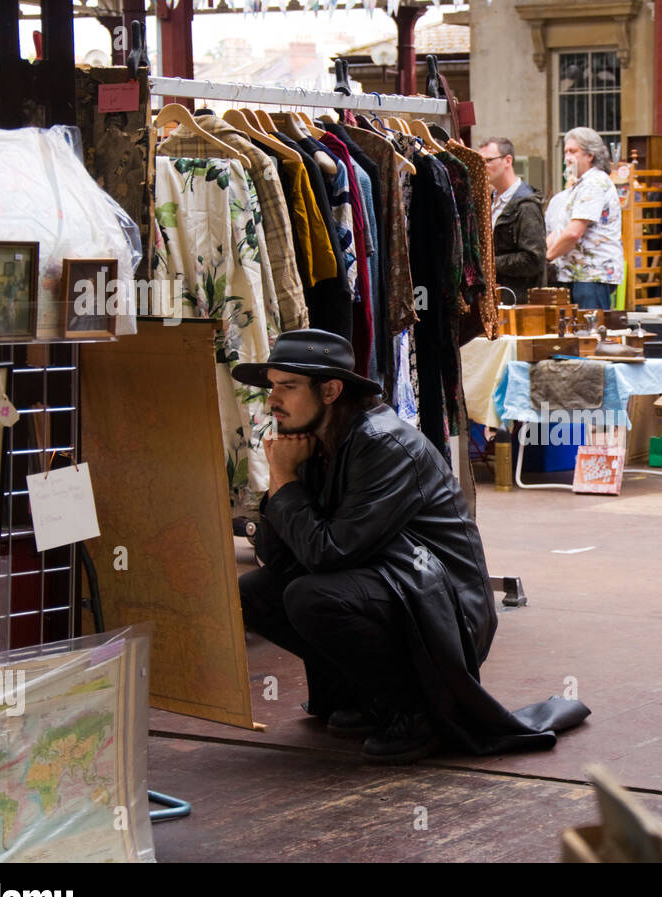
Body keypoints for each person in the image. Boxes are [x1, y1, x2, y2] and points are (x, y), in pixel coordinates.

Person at [233, 329, 590, 763]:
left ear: (330, 390)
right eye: (273, 386)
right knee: (254, 592)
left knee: (311, 596)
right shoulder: (313, 443)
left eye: (287, 387)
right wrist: (280, 479)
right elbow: (282, 556)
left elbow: (329, 554)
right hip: (395, 588)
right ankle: (367, 698)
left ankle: (416, 715)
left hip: (445, 614)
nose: (273, 400)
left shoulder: (382, 443)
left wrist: (286, 482)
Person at [544, 126, 625, 310]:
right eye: (565, 152)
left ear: (590, 155)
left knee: (590, 334)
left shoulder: (595, 182)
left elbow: (573, 233)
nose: (567, 157)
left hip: (592, 275)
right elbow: (560, 230)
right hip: (576, 275)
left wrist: (547, 258)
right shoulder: (579, 186)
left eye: (573, 151)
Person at [478, 136, 545, 304]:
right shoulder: (488, 201)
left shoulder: (526, 205)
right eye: (480, 161)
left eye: (488, 160)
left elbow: (533, 259)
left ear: (508, 161)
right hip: (493, 298)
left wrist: (489, 264)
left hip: (517, 301)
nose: (483, 166)